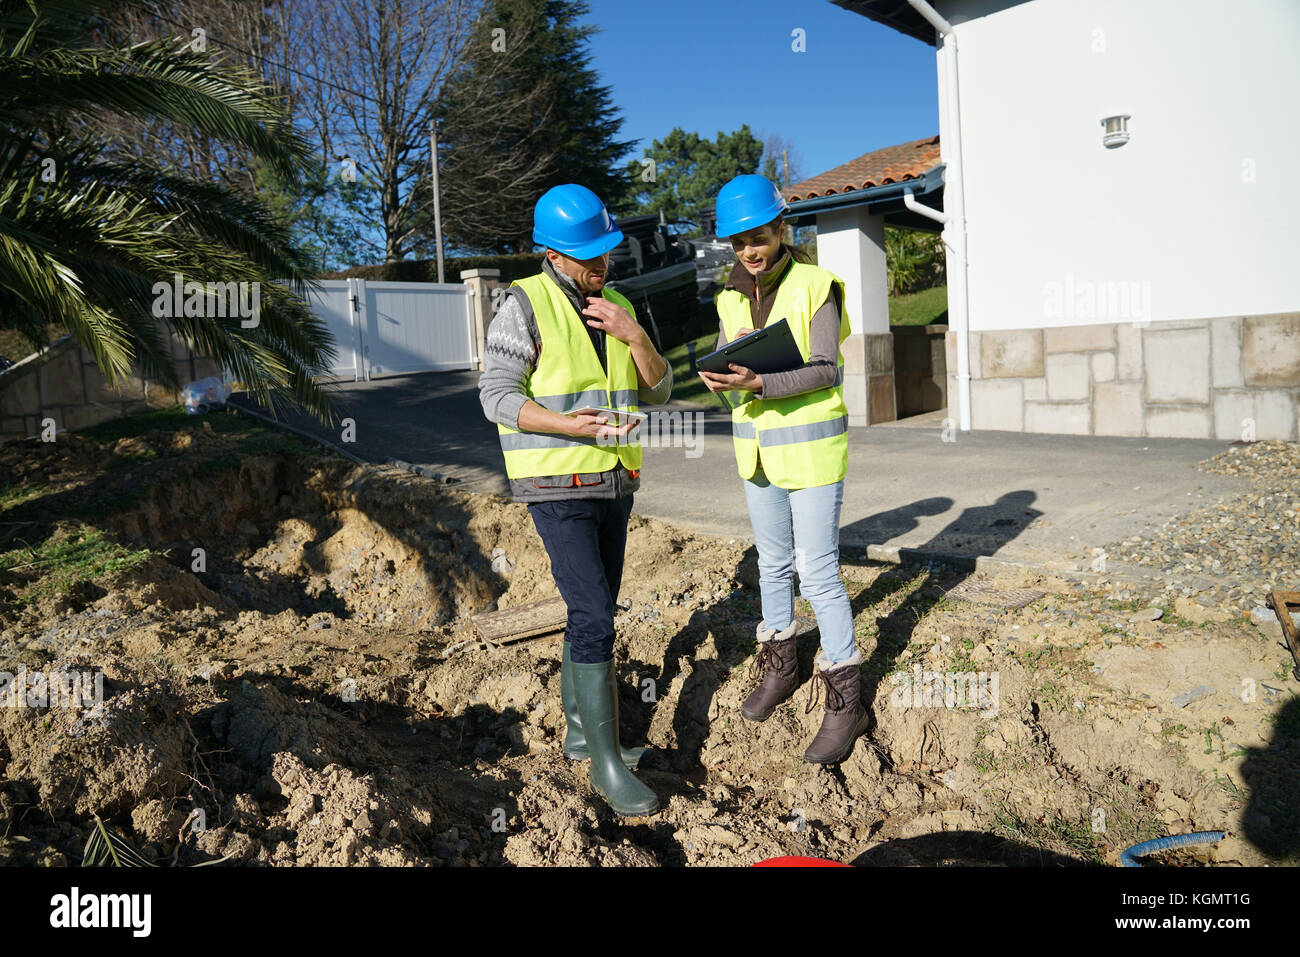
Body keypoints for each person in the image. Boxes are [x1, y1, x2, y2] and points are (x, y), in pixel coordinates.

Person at [478, 183, 671, 816]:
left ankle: (582, 734)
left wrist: (634, 335)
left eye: (605, 253)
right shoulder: (523, 305)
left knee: (594, 608)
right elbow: (497, 397)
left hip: (614, 481)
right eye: (588, 256)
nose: (601, 265)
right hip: (556, 485)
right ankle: (606, 765)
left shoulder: (614, 304)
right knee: (594, 616)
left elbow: (661, 390)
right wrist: (571, 426)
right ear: (553, 254)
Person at [697, 174, 867, 765]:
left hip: (814, 453)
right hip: (757, 454)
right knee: (772, 564)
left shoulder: (817, 285)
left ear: (781, 229)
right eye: (740, 241)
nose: (751, 249)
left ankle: (847, 699)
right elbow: (732, 392)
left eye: (761, 235)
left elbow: (826, 369)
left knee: (817, 571)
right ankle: (781, 666)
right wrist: (720, 380)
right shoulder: (727, 299)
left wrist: (761, 380)